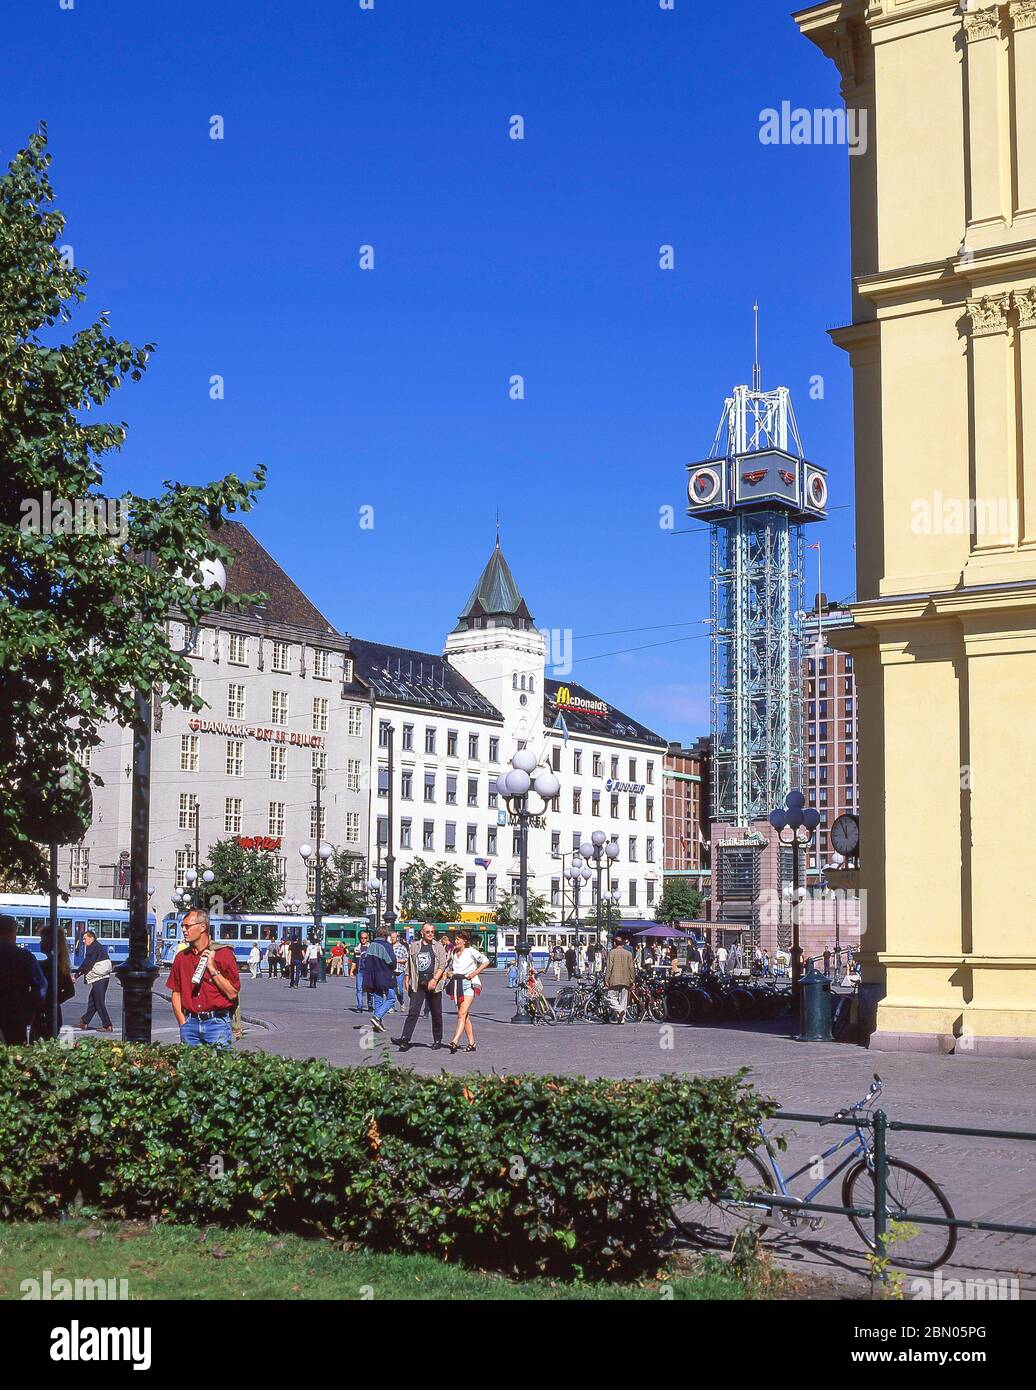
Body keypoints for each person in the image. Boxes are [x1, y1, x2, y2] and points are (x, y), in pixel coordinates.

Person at [166, 908, 240, 1047]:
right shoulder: (181, 958)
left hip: (217, 1024)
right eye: (183, 926)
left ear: (202, 927)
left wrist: (212, 969)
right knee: (189, 1067)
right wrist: (183, 1022)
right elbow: (176, 992)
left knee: (218, 1067)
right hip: (190, 1025)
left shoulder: (224, 954)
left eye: (187, 926)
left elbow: (232, 993)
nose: (183, 930)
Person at [395, 923, 448, 1052]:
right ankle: (405, 1039)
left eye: (432, 932)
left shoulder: (439, 946)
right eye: (428, 932)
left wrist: (435, 979)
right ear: (422, 933)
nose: (430, 934)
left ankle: (437, 1040)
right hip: (418, 982)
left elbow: (442, 965)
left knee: (436, 1013)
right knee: (413, 1011)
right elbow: (409, 963)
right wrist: (407, 979)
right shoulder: (414, 946)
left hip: (433, 983)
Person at [0, 914, 46, 1045]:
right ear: (12, 932)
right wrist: (32, 1009)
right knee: (14, 1052)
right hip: (15, 1013)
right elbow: (41, 986)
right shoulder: (24, 956)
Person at [447, 930, 489, 1055]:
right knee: (465, 1016)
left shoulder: (471, 951)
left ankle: (455, 1041)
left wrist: (475, 973)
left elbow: (485, 961)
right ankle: (472, 1043)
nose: (456, 941)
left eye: (459, 939)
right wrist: (450, 973)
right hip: (457, 984)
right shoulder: (453, 952)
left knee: (461, 1013)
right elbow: (450, 968)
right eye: (455, 939)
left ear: (465, 941)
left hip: (468, 984)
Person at [31, 922, 75, 1040]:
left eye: (42, 939)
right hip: (53, 1015)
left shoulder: (47, 966)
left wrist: (49, 1002)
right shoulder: (60, 965)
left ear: (50, 942)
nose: (40, 942)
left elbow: (70, 991)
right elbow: (70, 991)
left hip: (45, 1016)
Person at [73, 928, 113, 1032]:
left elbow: (87, 963)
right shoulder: (96, 946)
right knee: (93, 1001)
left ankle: (107, 1025)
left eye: (85, 938)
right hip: (101, 978)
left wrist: (76, 975)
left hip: (100, 978)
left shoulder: (93, 947)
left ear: (92, 938)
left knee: (99, 1002)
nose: (83, 941)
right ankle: (84, 1022)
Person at [364, 927, 398, 1034]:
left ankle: (378, 1024)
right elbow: (391, 962)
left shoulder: (371, 945)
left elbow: (366, 960)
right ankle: (377, 1017)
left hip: (373, 976)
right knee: (391, 998)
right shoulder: (386, 946)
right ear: (386, 935)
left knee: (378, 999)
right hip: (385, 975)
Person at [603, 933, 635, 1023]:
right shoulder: (628, 954)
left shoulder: (612, 953)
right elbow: (631, 968)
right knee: (623, 999)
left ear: (614, 943)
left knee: (610, 998)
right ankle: (621, 1019)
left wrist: (606, 979)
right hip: (626, 979)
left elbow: (609, 967)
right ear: (623, 943)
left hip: (614, 978)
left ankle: (619, 1010)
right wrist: (632, 980)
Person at [351, 931, 371, 1012]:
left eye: (365, 938)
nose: (363, 939)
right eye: (362, 938)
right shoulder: (357, 948)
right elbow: (354, 961)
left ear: (367, 938)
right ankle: (360, 1006)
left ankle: (370, 1005)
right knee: (359, 989)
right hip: (360, 971)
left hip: (369, 971)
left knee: (369, 989)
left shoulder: (371, 948)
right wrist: (351, 971)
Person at [389, 929, 407, 1007]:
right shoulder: (388, 947)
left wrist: (397, 960)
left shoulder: (402, 947)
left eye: (394, 937)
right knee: (391, 990)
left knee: (399, 990)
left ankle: (401, 1001)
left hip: (399, 971)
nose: (392, 939)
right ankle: (391, 1006)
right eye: (391, 937)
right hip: (390, 971)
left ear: (397, 938)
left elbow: (406, 959)